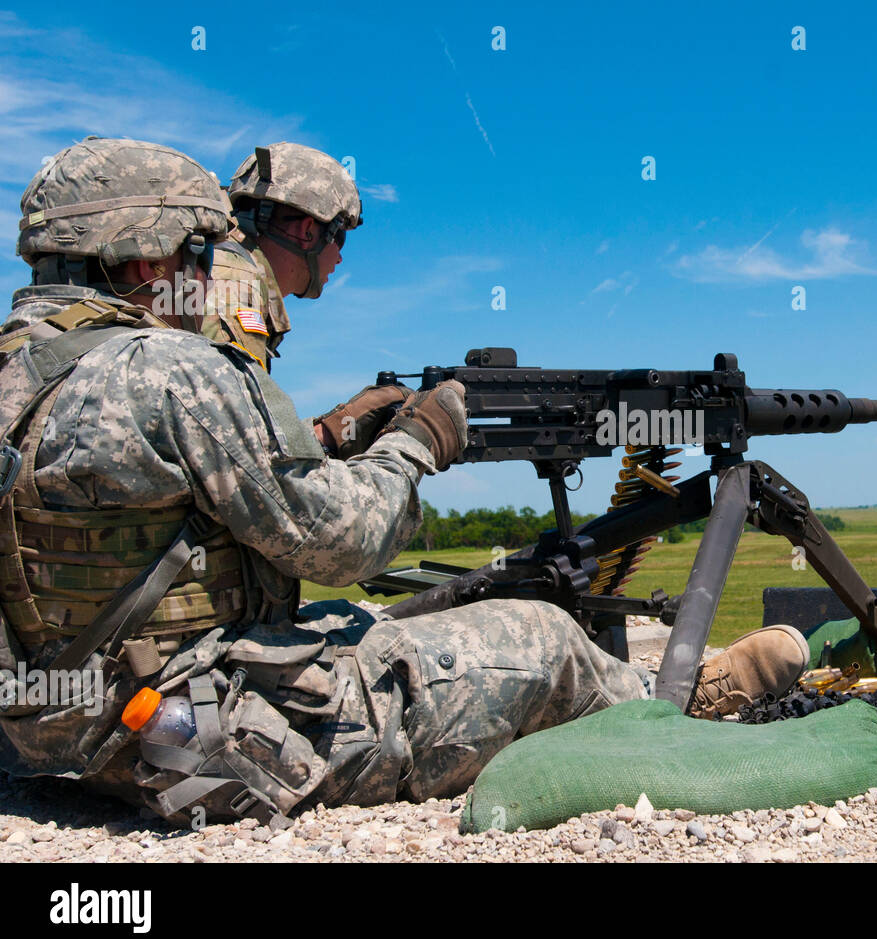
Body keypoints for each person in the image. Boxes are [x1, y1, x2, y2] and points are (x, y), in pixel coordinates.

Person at [0, 137, 808, 825]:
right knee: (545, 636)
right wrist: (420, 441)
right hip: (187, 746)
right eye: (196, 255)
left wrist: (333, 433)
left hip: (53, 734)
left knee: (355, 623)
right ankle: (680, 703)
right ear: (144, 259)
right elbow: (341, 543)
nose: (210, 278)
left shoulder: (17, 369)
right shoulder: (169, 369)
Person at [202, 142, 361, 370]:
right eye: (340, 238)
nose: (339, 259)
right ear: (307, 230)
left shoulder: (223, 269)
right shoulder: (235, 289)